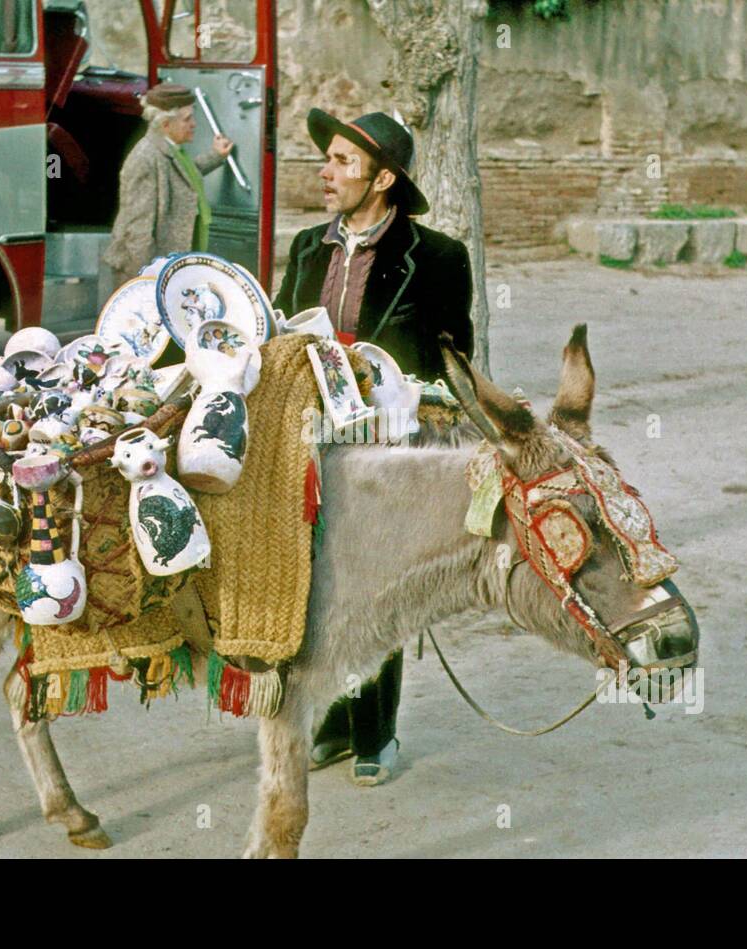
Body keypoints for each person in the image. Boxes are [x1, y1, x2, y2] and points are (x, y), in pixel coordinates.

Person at [273, 108, 475, 785]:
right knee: (316, 587)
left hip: (391, 448)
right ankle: (328, 722)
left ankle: (375, 732)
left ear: (383, 178)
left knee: (379, 588)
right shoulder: (306, 248)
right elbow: (278, 340)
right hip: (311, 445)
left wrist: (426, 408)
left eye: (342, 163)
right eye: (326, 160)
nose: (326, 174)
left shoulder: (439, 258)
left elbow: (455, 362)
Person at [102, 82, 234, 297]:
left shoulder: (168, 149)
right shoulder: (145, 157)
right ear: (165, 124)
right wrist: (146, 281)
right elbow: (137, 229)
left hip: (166, 268)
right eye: (186, 119)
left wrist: (216, 156)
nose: (193, 124)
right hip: (149, 273)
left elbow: (186, 174)